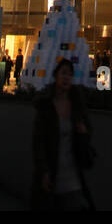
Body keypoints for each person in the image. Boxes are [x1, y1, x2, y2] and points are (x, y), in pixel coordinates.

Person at [32, 59, 95, 210]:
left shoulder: (77, 106)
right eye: (64, 73)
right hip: (52, 176)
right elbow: (38, 142)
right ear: (56, 76)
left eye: (70, 74)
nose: (67, 77)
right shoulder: (46, 107)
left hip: (73, 178)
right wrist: (44, 170)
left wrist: (83, 133)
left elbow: (87, 134)